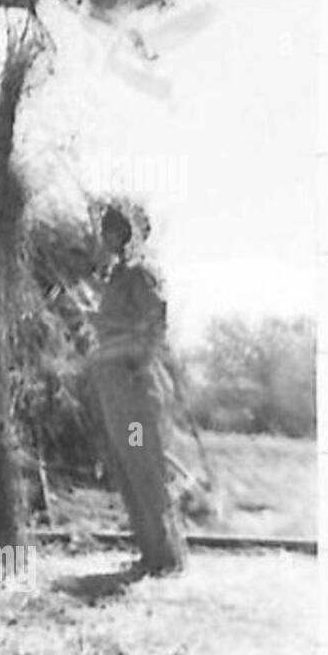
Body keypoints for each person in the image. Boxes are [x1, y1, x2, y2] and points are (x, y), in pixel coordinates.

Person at [88, 204, 186, 575]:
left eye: (110, 233)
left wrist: (137, 359)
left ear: (121, 236)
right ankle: (150, 552)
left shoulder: (138, 275)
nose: (104, 240)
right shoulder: (114, 279)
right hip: (114, 386)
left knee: (144, 464)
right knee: (128, 467)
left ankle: (165, 556)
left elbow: (155, 318)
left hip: (134, 388)